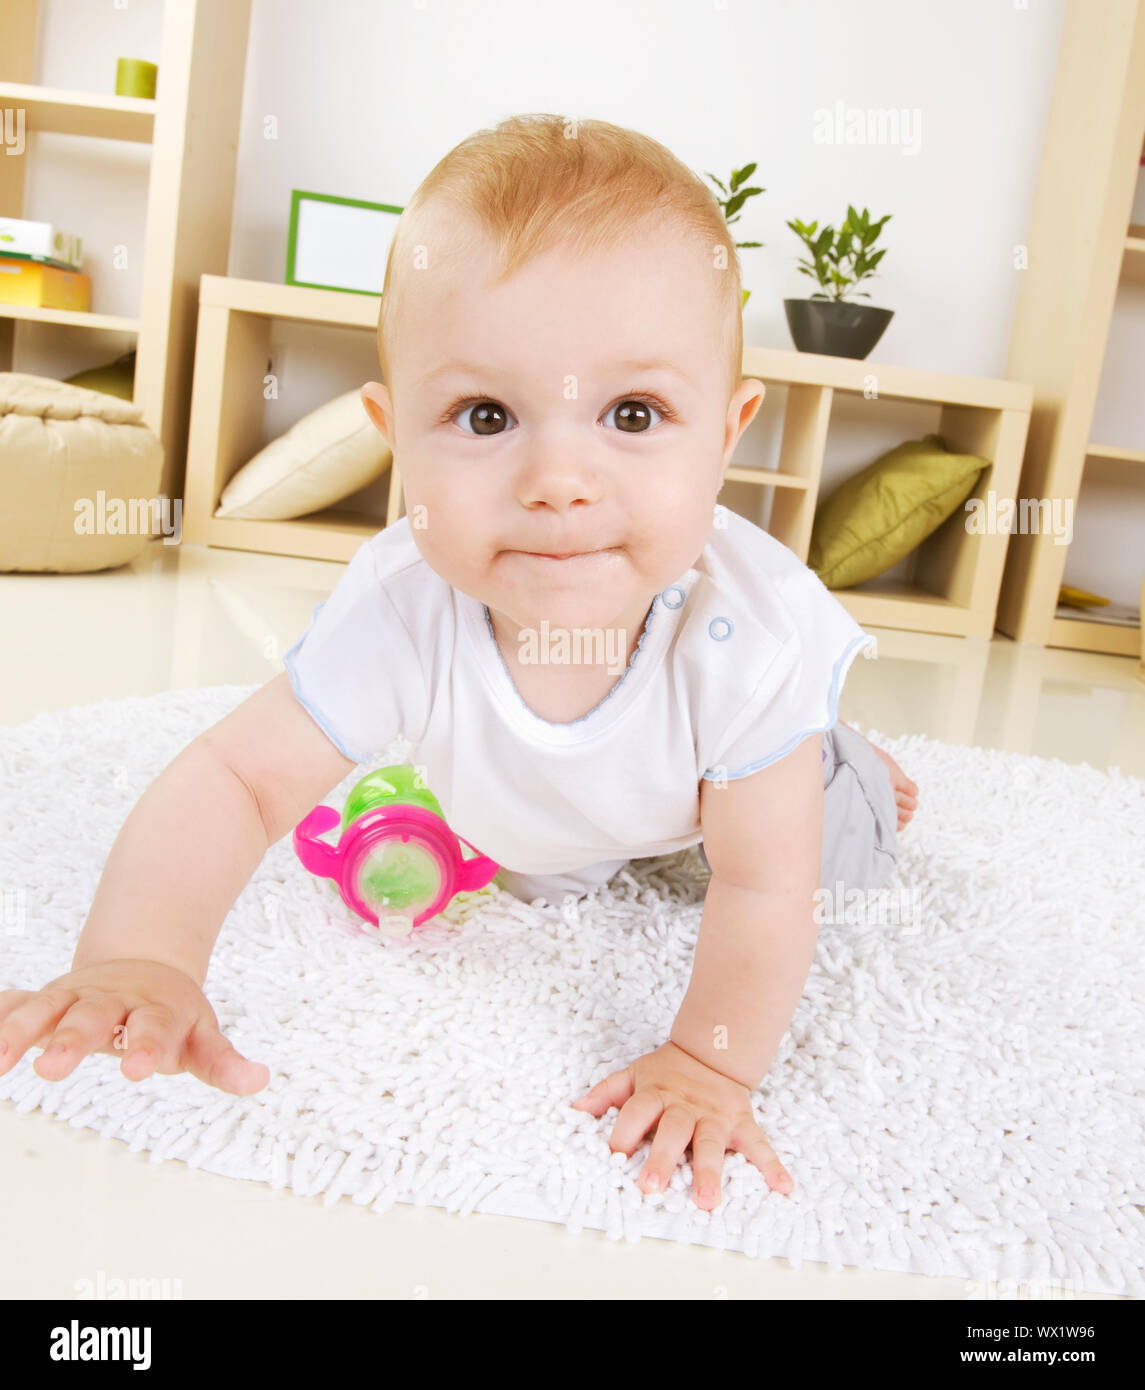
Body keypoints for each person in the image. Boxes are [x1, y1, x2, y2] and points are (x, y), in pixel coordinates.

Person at [0, 114, 919, 1212]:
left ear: (726, 433)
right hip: (572, 806)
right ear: (398, 436)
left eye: (633, 413)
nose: (559, 478)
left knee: (822, 857)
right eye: (485, 414)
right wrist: (138, 957)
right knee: (537, 856)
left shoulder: (748, 638)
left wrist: (709, 1064)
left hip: (743, 767)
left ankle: (831, 751)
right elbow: (236, 780)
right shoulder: (401, 605)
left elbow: (765, 886)